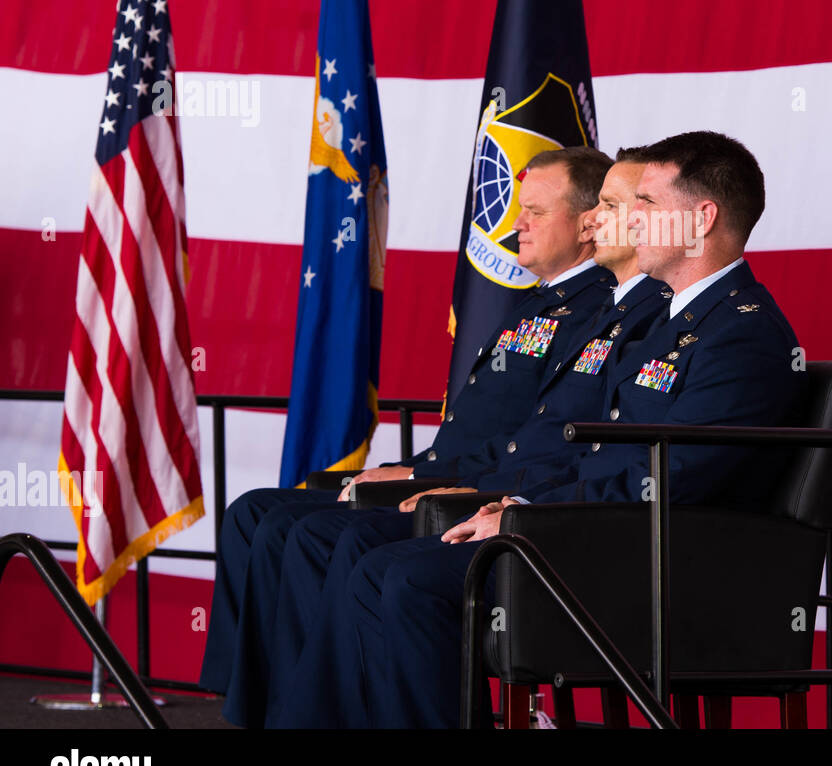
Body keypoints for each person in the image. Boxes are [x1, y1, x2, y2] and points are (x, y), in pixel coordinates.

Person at [271, 130, 808, 728]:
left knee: (403, 579)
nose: (629, 222)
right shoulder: (663, 324)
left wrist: (530, 516)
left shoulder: (742, 334)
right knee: (384, 568)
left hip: (653, 561)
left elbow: (670, 482)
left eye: (648, 205)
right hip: (598, 534)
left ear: (701, 218)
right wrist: (514, 501)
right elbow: (596, 459)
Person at [199, 146, 614, 724]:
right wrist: (419, 465)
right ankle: (258, 705)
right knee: (252, 513)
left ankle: (298, 714)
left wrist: (436, 479)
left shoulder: (596, 312)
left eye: (536, 212)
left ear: (588, 224)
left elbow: (535, 441)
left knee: (314, 535)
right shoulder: (537, 306)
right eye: (518, 207)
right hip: (455, 474)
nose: (514, 222)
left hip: (483, 491)